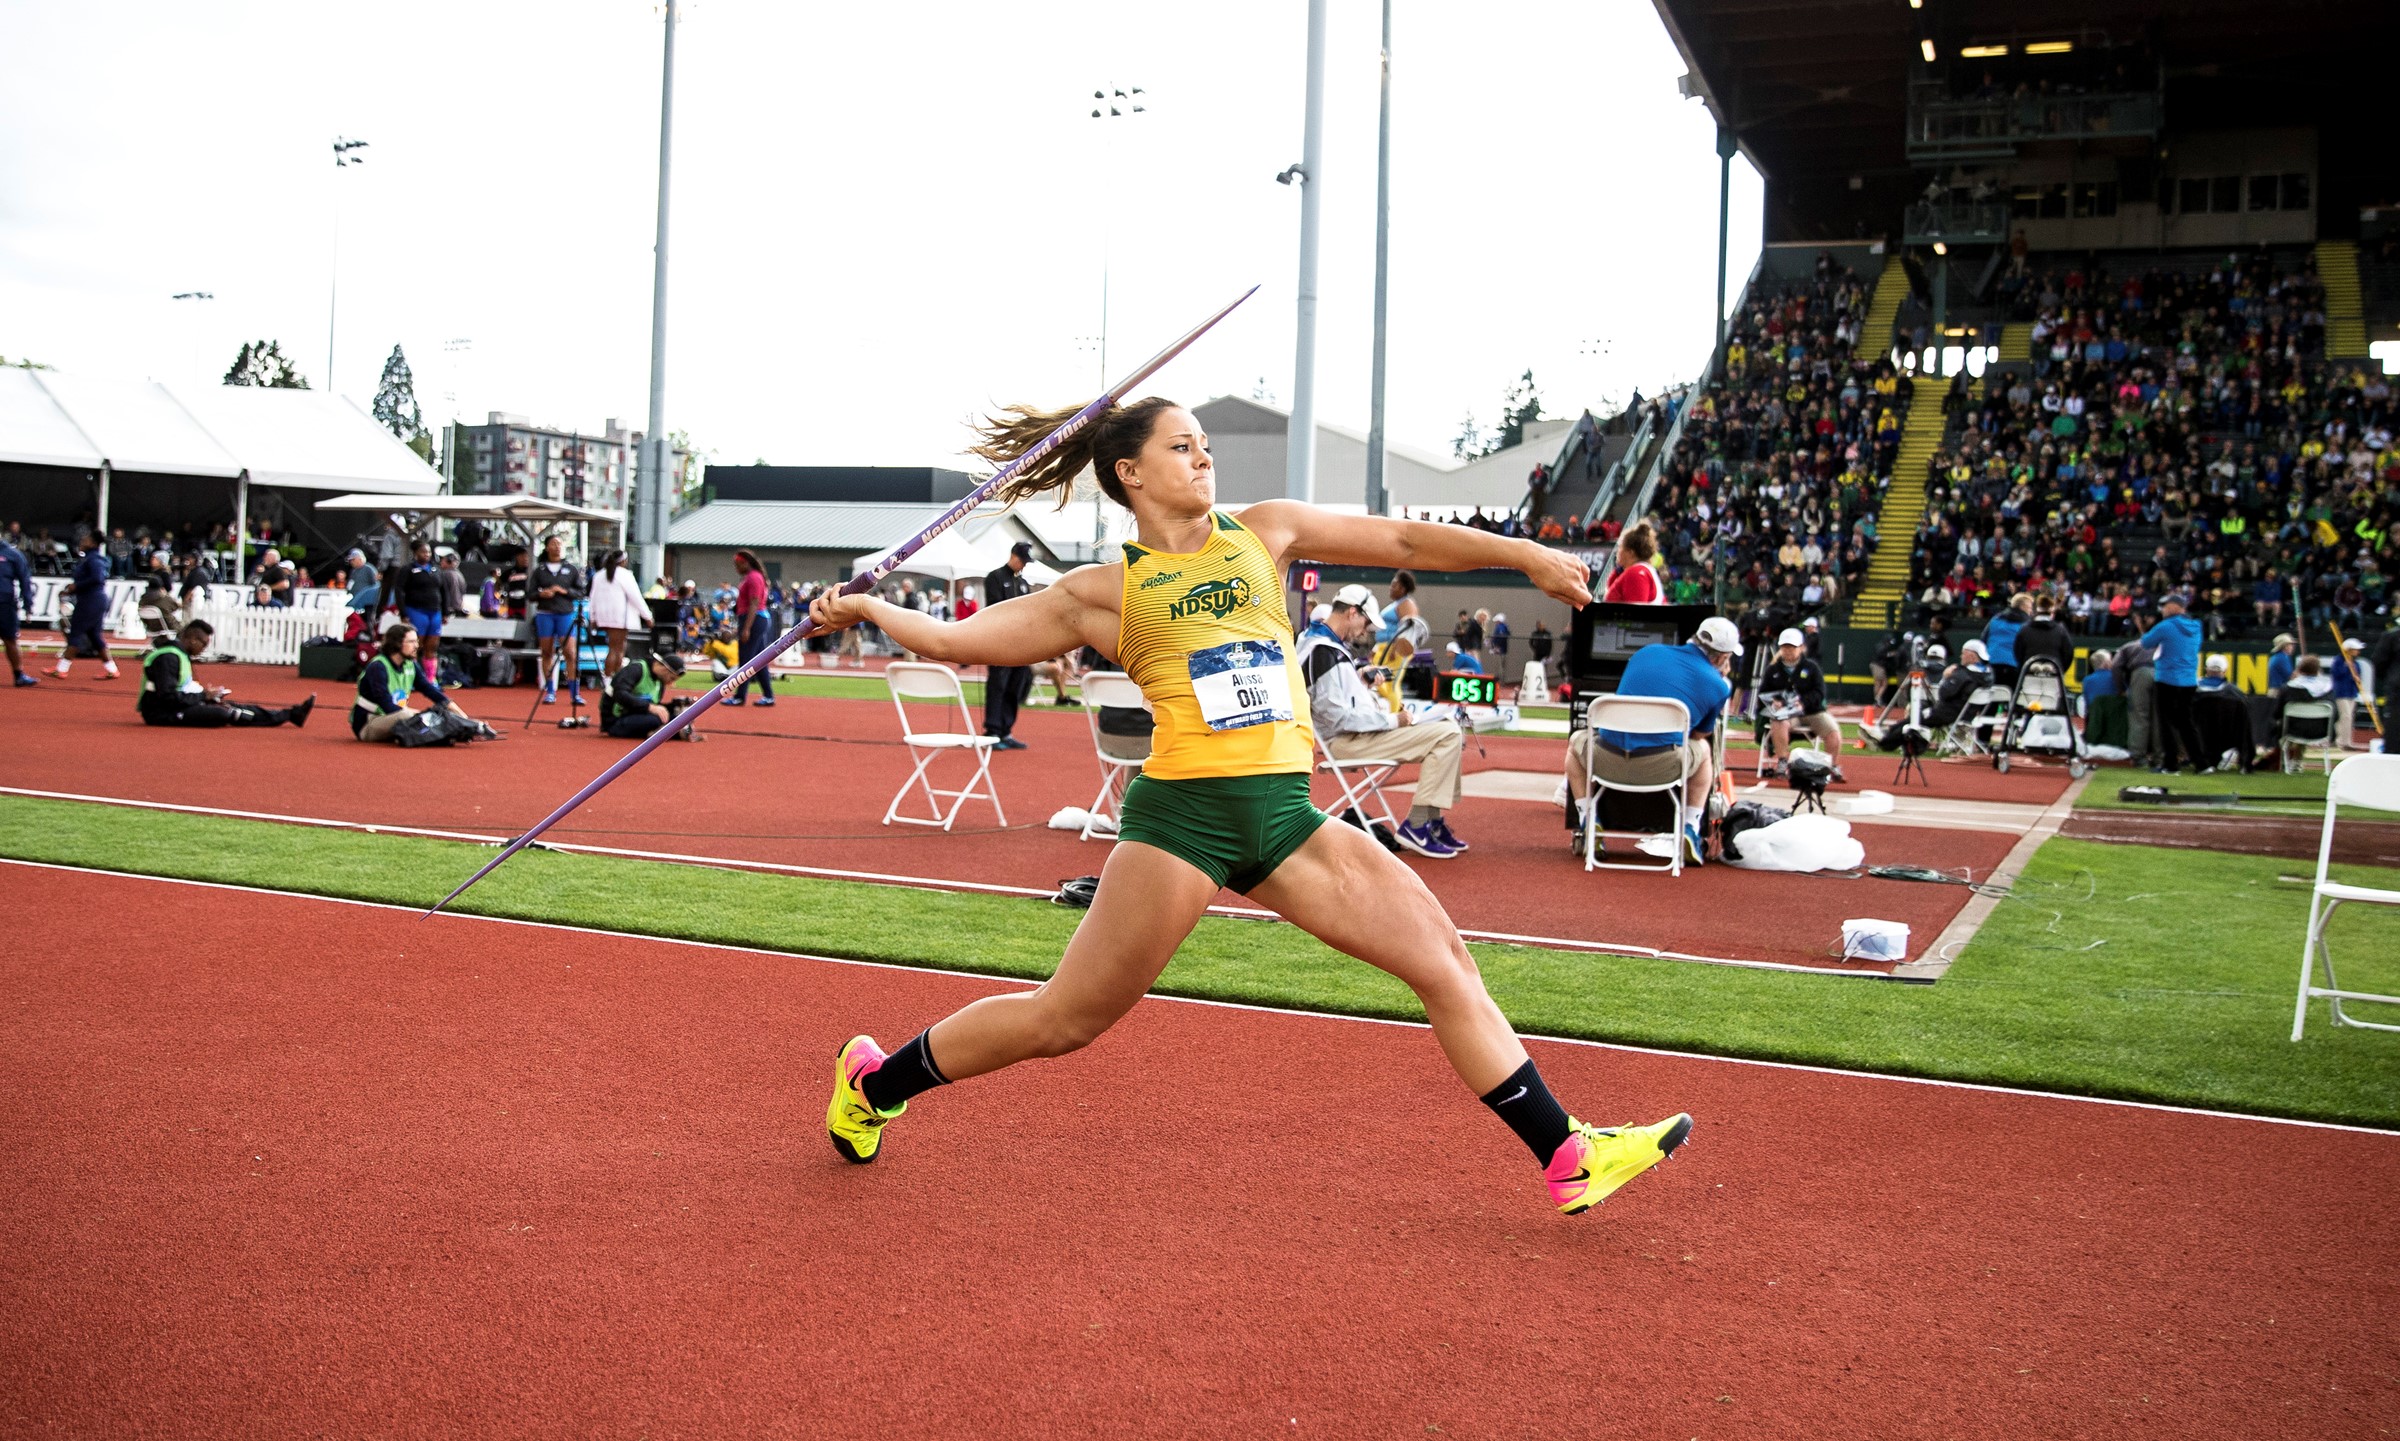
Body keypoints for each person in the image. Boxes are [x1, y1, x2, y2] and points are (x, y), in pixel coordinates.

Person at [807, 395, 1688, 1216]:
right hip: (1180, 822)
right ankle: (875, 1086)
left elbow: (1410, 546)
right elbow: (959, 642)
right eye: (1180, 447)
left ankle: (1565, 1151)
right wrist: (864, 606)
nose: (1203, 458)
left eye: (1205, 445)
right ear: (1132, 475)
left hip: (1284, 817)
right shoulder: (1099, 593)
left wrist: (1523, 553)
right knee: (1063, 1019)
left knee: (1442, 957)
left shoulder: (1266, 532)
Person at [1300, 583, 1470, 857]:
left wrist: (1361, 681)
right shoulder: (1323, 651)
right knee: (1448, 734)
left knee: (1448, 728)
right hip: (1348, 742)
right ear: (1353, 613)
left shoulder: (1323, 646)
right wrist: (1393, 720)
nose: (1366, 630)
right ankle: (1420, 823)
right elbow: (1339, 717)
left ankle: (1429, 820)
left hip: (1355, 737)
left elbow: (1337, 703)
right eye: (1366, 622)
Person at [1564, 616, 1737, 865]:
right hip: (1663, 769)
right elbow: (1698, 735)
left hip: (1605, 761)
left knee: (1575, 743)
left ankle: (1588, 818)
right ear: (1722, 657)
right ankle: (1689, 827)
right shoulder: (1719, 685)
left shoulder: (1647, 652)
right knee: (1704, 751)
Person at [137, 620, 314, 729]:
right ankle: (286, 716)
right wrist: (202, 696)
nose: (204, 649)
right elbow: (167, 697)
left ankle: (290, 714)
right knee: (224, 713)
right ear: (192, 639)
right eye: (204, 644)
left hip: (174, 706)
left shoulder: (179, 655)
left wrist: (204, 696)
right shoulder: (168, 658)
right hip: (160, 713)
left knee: (230, 705)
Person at [352, 623, 499, 743]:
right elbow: (387, 706)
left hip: (396, 718)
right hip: (369, 723)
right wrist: (429, 715)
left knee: (433, 717)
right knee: (412, 717)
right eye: (411, 642)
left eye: (416, 641)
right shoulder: (378, 667)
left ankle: (462, 731)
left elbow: (430, 690)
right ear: (396, 644)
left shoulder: (410, 665)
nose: (417, 645)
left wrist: (464, 718)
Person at [1756, 627, 1844, 780]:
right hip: (1787, 713)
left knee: (1833, 731)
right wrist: (1774, 702)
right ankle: (1783, 760)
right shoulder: (1772, 670)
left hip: (1811, 712)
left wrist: (1804, 703)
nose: (1788, 651)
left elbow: (1819, 692)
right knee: (1779, 722)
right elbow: (1763, 694)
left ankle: (1832, 765)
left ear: (1801, 648)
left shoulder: (1812, 668)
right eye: (1785, 647)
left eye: (1792, 647)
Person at [979, 541, 1036, 749]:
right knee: (998, 685)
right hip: (999, 642)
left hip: (1020, 644)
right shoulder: (995, 577)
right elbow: (996, 607)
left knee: (1015, 685)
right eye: (1022, 561)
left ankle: (1006, 730)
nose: (1023, 566)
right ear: (1013, 556)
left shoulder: (1023, 583)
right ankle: (993, 730)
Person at [2139, 594, 2205, 774]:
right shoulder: (2197, 626)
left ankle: (2171, 764)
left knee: (2166, 724)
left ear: (2176, 607)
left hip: (2167, 679)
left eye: (2165, 606)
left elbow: (2145, 642)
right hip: (2189, 680)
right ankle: (2201, 763)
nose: (2162, 609)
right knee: (2186, 723)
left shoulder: (2165, 626)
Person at [529, 535, 586, 706]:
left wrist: (563, 591)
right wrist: (541, 594)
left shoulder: (571, 569)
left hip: (565, 614)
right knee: (546, 652)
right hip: (545, 614)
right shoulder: (539, 570)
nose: (557, 547)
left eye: (560, 544)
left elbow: (581, 592)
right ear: (547, 547)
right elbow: (530, 594)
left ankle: (574, 693)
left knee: (570, 653)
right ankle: (550, 691)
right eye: (553, 544)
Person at [52, 531, 117, 678]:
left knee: (75, 633)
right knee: (94, 636)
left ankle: (62, 669)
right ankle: (112, 669)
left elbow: (97, 578)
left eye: (85, 540)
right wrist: (72, 589)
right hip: (92, 599)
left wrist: (76, 587)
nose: (82, 542)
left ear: (93, 543)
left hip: (91, 601)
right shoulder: (89, 559)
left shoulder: (94, 559)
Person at [602, 648, 704, 741]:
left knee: (678, 717)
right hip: (615, 720)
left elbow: (653, 705)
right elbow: (620, 694)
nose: (672, 684)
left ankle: (672, 730)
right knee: (655, 719)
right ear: (664, 669)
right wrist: (650, 707)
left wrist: (674, 706)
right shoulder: (636, 669)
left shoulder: (659, 681)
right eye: (672, 678)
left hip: (636, 715)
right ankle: (669, 732)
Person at [587, 548, 650, 682]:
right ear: (624, 561)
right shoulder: (625, 575)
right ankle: (611, 679)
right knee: (617, 649)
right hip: (620, 618)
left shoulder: (599, 575)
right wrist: (647, 616)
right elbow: (636, 597)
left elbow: (592, 598)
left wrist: (593, 617)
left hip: (604, 618)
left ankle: (612, 678)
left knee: (614, 647)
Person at [1, 528, 37, 686]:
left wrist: (28, 604)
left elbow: (24, 579)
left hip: (4, 603)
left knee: (10, 639)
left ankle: (19, 675)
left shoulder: (12, 554)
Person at [1601, 521, 1663, 603]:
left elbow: (1634, 613)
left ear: (1631, 552)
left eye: (1620, 547)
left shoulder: (1636, 573)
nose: (1617, 551)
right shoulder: (1643, 570)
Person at [1374, 570, 1421, 645]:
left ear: (1402, 589)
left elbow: (1409, 632)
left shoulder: (1407, 605)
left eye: (1394, 586)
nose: (1390, 588)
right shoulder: (1397, 604)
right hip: (1383, 647)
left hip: (1393, 650)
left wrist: (1396, 650)